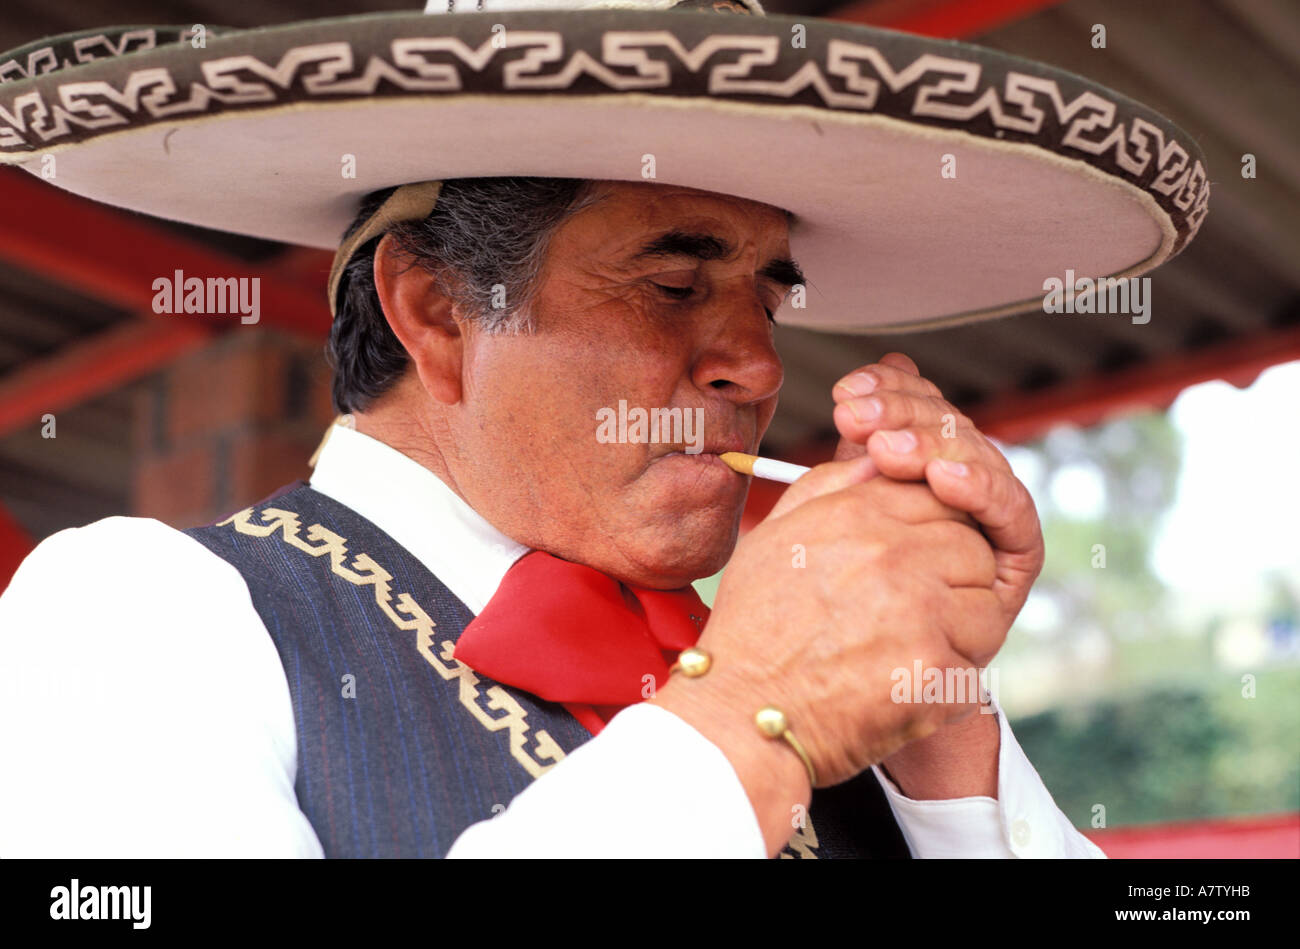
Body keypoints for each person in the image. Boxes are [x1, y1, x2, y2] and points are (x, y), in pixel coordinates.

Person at [0, 0, 1207, 858]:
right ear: (435, 311)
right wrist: (747, 710)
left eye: (766, 294)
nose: (755, 360)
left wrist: (940, 724)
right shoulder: (134, 610)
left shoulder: (815, 694)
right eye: (675, 285)